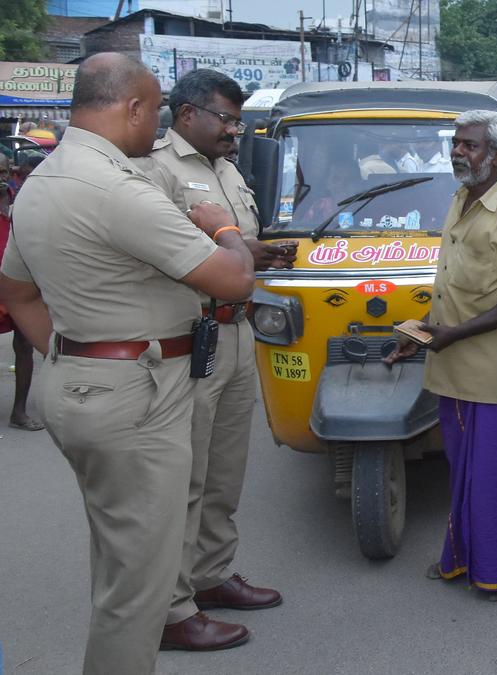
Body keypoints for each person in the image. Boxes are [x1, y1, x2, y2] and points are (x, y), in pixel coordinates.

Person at [0, 53, 254, 675]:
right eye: (159, 107)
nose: (160, 120)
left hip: (87, 383)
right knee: (138, 591)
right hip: (136, 397)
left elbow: (17, 292)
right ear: (135, 107)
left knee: (122, 561)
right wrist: (223, 231)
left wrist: (73, 358)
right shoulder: (116, 188)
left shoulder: (46, 177)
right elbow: (234, 278)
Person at [135, 68, 290, 652]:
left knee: (225, 473)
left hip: (236, 333)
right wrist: (236, 249)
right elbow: (170, 253)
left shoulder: (227, 168)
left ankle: (212, 575)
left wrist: (258, 253)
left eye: (237, 119)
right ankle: (173, 608)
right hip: (188, 337)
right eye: (225, 117)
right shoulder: (155, 169)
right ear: (187, 115)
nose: (235, 129)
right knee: (186, 478)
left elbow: (233, 248)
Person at [384, 109, 497, 601]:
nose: (458, 152)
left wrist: (453, 335)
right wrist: (419, 335)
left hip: (493, 370)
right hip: (451, 363)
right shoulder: (460, 198)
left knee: (493, 476)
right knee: (462, 470)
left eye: (470, 145)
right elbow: (449, 288)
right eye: (456, 143)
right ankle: (460, 558)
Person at [0, 155, 42, 431]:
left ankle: (19, 411)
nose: (0, 176)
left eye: (2, 170)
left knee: (25, 344)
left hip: (16, 281)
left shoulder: (17, 197)